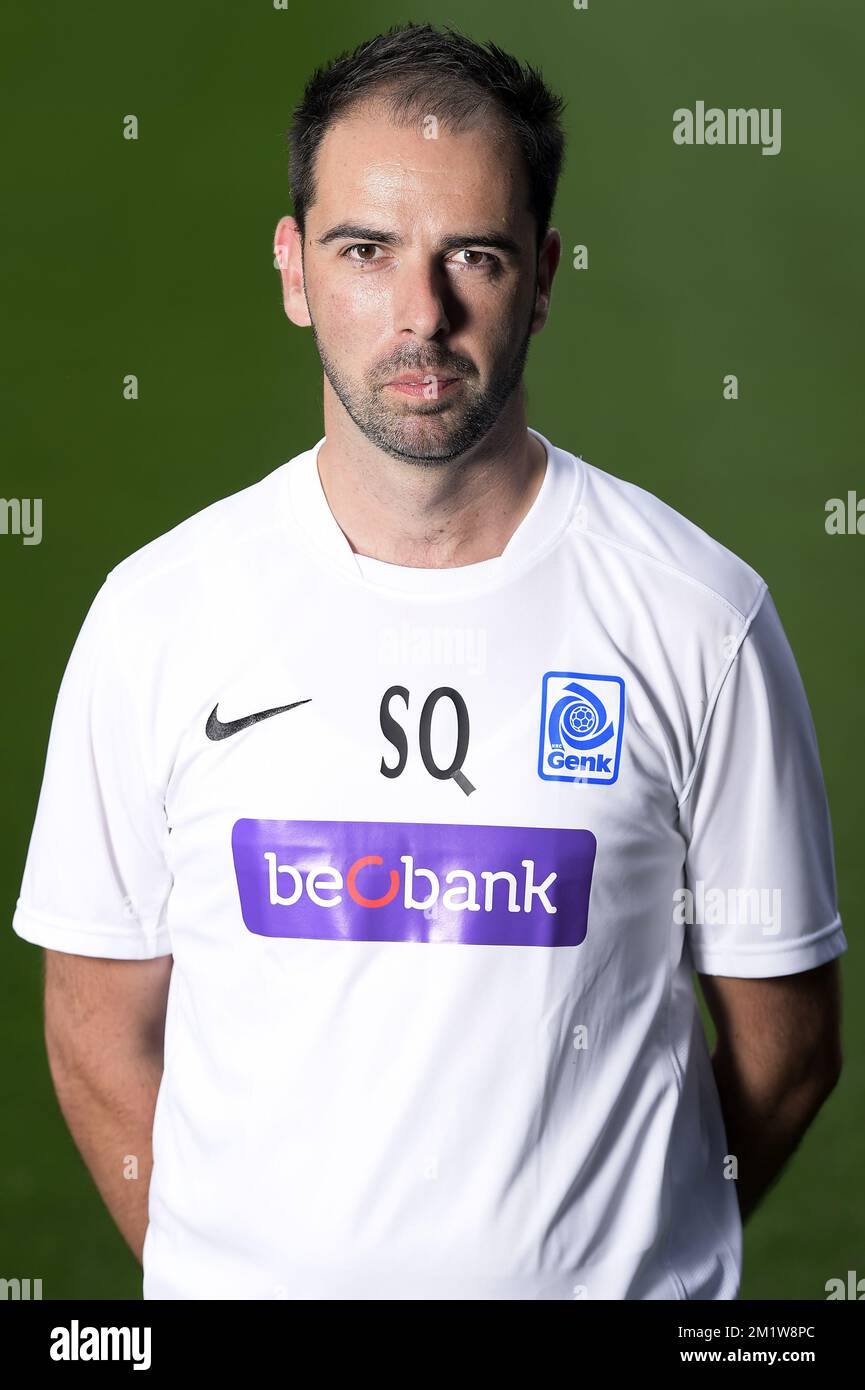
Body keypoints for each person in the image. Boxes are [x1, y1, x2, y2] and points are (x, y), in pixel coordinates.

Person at [13, 22, 846, 1301]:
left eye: (475, 254)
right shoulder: (156, 617)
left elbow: (786, 1054)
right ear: (294, 269)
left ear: (546, 276)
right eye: (365, 249)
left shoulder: (699, 619)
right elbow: (93, 1025)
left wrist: (619, 1258)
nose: (422, 313)